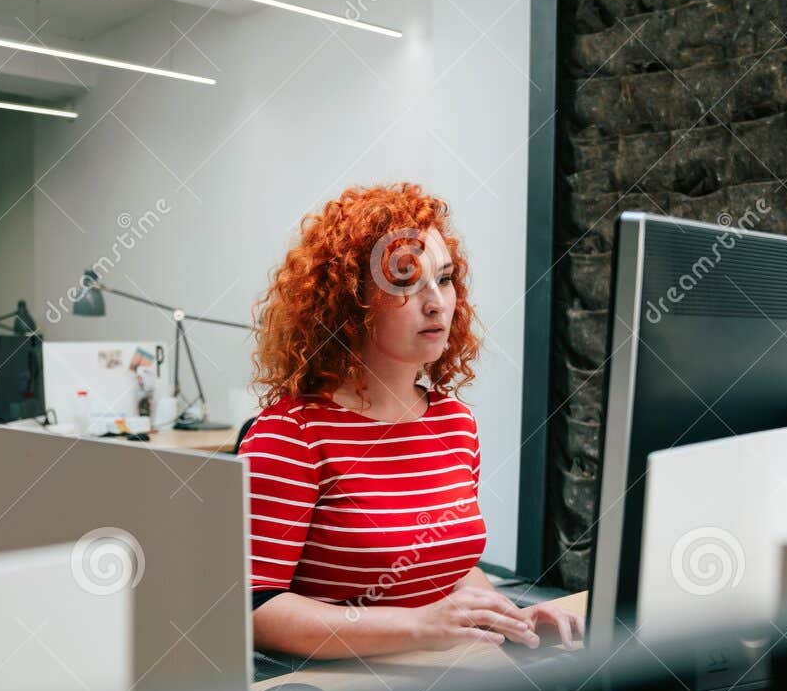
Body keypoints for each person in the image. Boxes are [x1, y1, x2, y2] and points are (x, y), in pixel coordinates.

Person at [239, 183, 584, 660]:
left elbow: (445, 567)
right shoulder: (292, 434)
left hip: (450, 685)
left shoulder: (454, 423)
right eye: (404, 282)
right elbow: (255, 609)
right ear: (348, 303)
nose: (437, 302)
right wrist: (414, 626)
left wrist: (511, 618)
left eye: (443, 279)